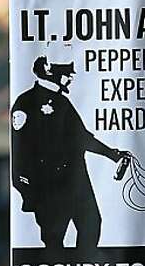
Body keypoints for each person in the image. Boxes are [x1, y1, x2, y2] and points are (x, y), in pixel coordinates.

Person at [11, 44, 129, 253]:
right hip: (48, 186)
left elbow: (82, 138)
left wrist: (112, 155)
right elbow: (20, 151)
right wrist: (29, 189)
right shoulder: (26, 103)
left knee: (91, 224)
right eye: (66, 71)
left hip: (75, 180)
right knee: (54, 238)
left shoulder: (62, 102)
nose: (71, 76)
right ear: (49, 70)